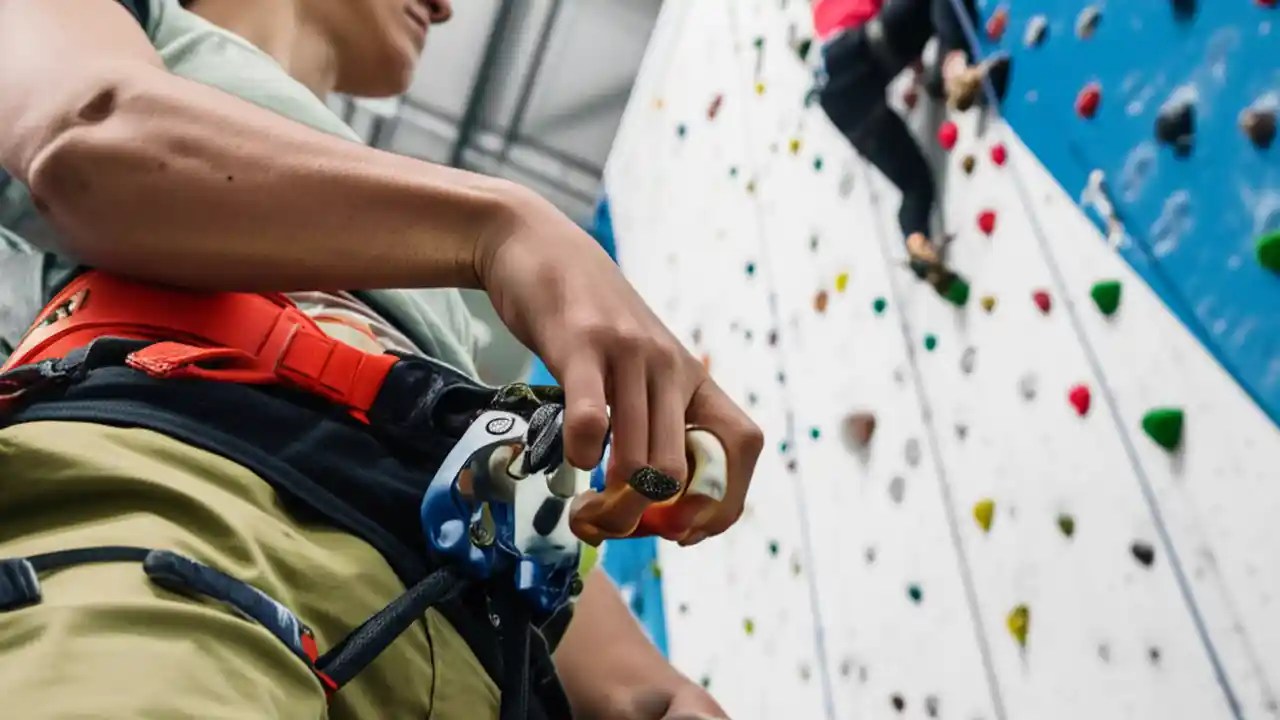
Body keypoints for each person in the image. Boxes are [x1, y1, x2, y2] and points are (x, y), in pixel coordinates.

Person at [0, 0, 763, 718]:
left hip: (458, 651)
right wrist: (502, 231)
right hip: (182, 535)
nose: (446, 7)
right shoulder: (118, 29)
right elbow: (90, 135)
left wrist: (661, 696)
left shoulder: (431, 278)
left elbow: (602, 653)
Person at [812, 0, 1009, 302]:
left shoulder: (820, 15)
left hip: (837, 99)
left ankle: (916, 242)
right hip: (855, 52)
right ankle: (954, 67)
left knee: (915, 186)